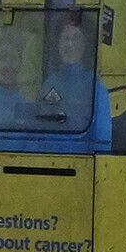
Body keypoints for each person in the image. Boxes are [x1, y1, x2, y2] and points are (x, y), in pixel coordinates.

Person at [38, 15, 111, 151]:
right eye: (65, 38)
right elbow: (40, 130)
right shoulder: (50, 83)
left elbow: (103, 139)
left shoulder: (96, 87)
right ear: (57, 43)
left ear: (85, 44)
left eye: (76, 38)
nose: (70, 45)